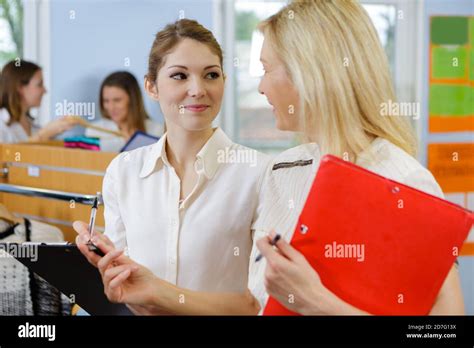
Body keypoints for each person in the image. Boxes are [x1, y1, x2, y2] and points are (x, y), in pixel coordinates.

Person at [75, 0, 464, 315]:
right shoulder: (286, 171)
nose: (259, 87)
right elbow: (255, 303)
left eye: (265, 69)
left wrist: (320, 304)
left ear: (309, 73)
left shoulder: (404, 180)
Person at [74, 19, 268, 315]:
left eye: (211, 75)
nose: (198, 89)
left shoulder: (260, 173)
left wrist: (160, 292)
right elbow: (125, 286)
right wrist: (108, 272)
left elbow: (259, 304)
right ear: (151, 86)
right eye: (179, 76)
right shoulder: (123, 172)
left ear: (224, 82)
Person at [0, 60, 80, 143]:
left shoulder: (34, 127)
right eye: (39, 84)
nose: (45, 90)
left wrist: (51, 133)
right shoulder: (2, 125)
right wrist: (43, 135)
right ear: (20, 88)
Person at [86, 71, 163, 151]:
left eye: (117, 100)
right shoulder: (94, 130)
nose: (111, 107)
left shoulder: (156, 130)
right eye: (106, 101)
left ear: (132, 100)